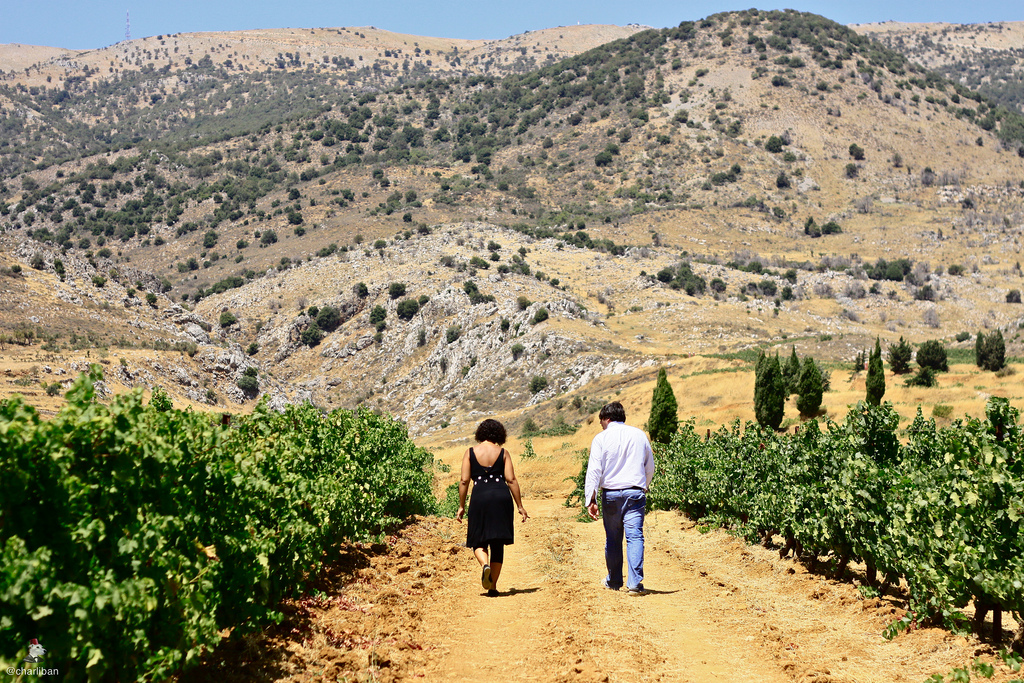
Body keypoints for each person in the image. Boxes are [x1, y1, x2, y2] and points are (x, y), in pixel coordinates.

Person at [584, 401, 655, 594]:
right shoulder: (639, 435)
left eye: (601, 421)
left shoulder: (601, 438)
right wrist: (644, 486)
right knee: (635, 537)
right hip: (634, 492)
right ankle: (634, 584)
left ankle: (614, 581)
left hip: (611, 495)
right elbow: (650, 466)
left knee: (613, 539)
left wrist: (591, 499)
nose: (601, 425)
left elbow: (594, 470)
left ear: (607, 419)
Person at [457, 418, 529, 596]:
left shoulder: (470, 453)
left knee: (478, 539)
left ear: (480, 433)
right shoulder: (503, 453)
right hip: (501, 496)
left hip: (480, 496)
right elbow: (511, 480)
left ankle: (484, 565)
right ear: (499, 434)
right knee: (497, 543)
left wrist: (461, 506)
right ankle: (493, 586)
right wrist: (520, 505)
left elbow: (464, 480)